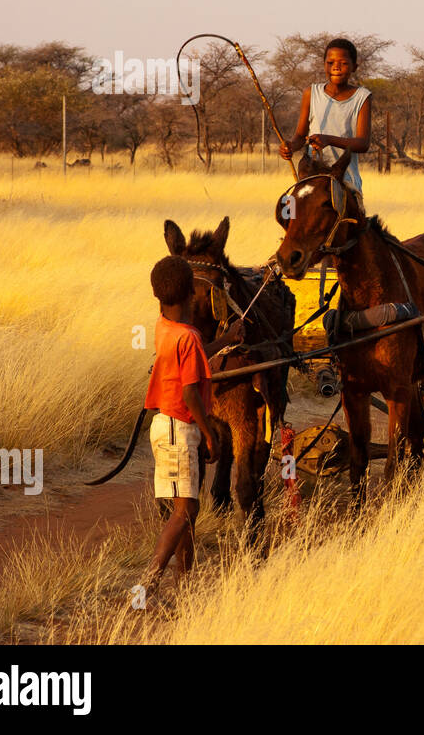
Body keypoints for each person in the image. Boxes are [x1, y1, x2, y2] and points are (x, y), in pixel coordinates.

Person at [141, 255, 239, 602]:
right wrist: (209, 433)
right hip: (180, 428)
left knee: (184, 510)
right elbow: (190, 393)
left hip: (162, 426)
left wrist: (225, 339)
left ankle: (183, 587)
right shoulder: (190, 337)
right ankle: (148, 584)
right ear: (194, 295)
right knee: (186, 512)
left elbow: (194, 353)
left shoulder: (165, 328)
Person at [279, 37, 373, 191]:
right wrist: (290, 147)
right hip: (312, 180)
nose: (336, 68)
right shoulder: (311, 93)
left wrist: (329, 139)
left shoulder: (362, 97)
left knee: (352, 215)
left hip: (346, 181)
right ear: (324, 65)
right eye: (330, 63)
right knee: (291, 210)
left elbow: (363, 144)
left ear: (354, 67)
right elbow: (300, 136)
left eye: (343, 63)